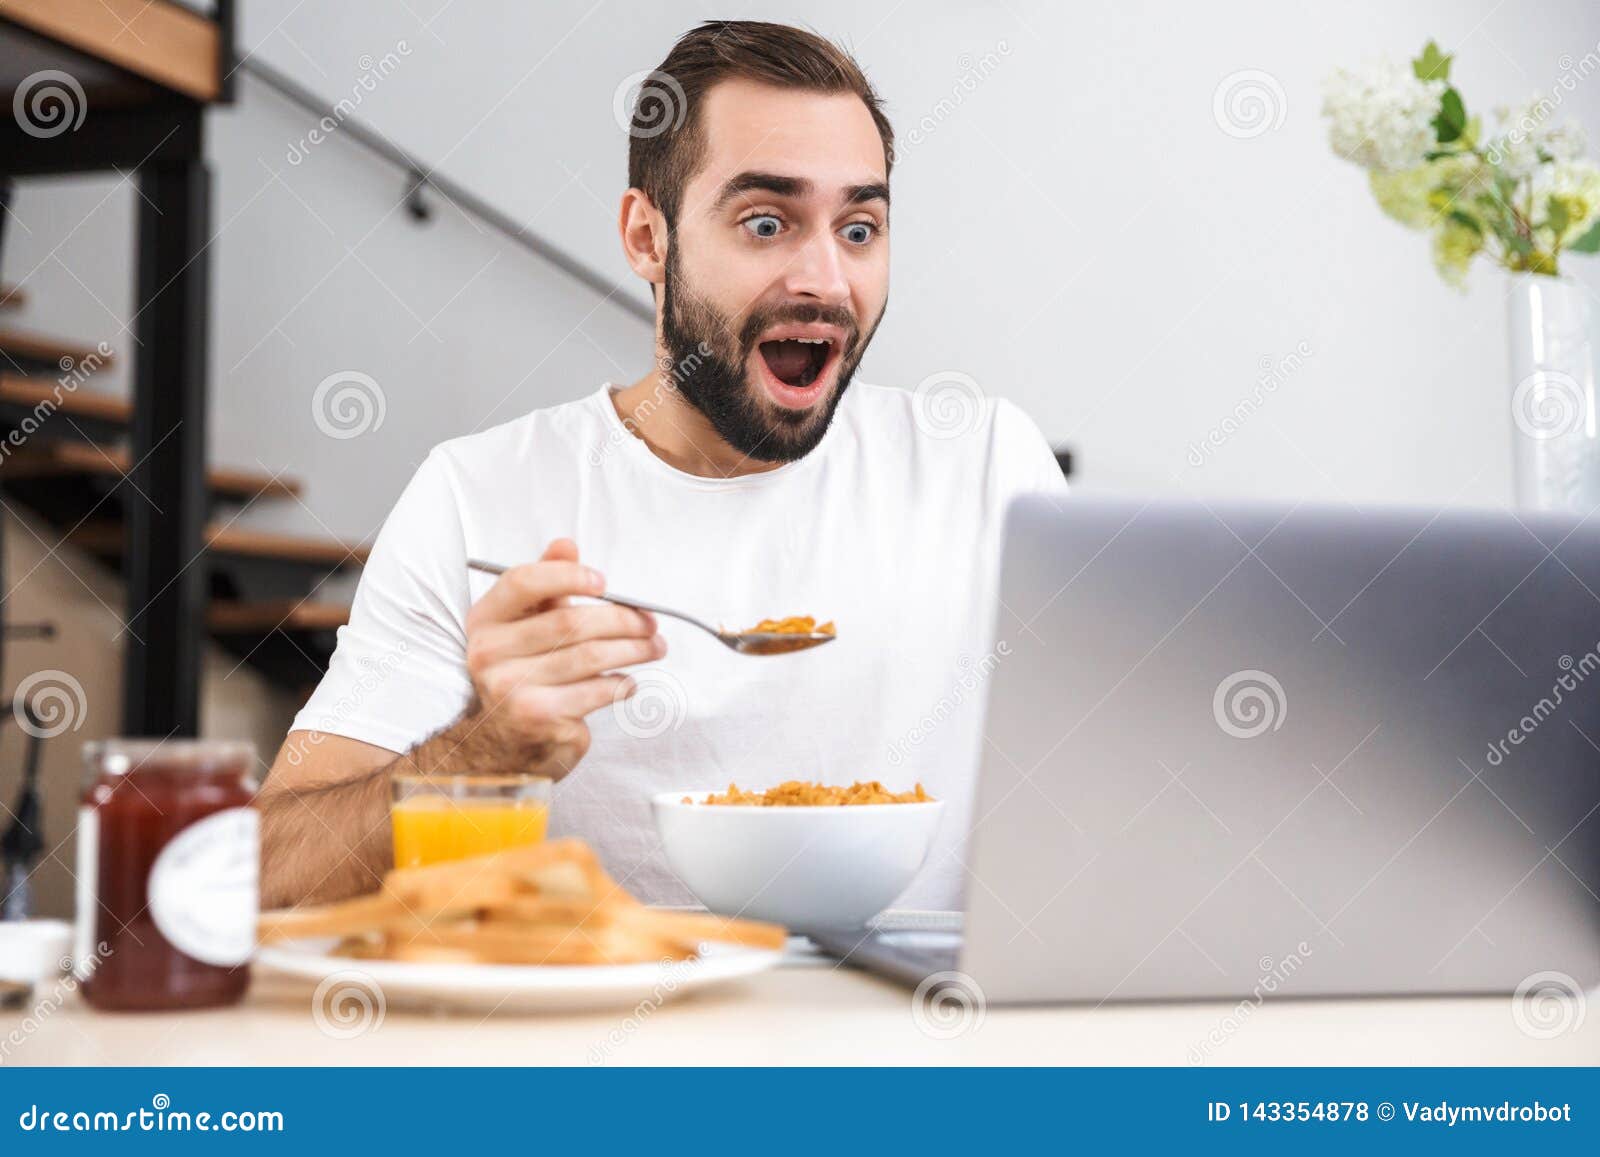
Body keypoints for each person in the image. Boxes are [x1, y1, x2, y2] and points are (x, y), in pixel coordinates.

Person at [259, 20, 1067, 910]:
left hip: (921, 1044)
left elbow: (1128, 796)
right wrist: (479, 751)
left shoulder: (986, 465)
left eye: (860, 227)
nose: (827, 281)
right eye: (767, 222)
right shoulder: (479, 496)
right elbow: (266, 877)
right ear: (648, 237)